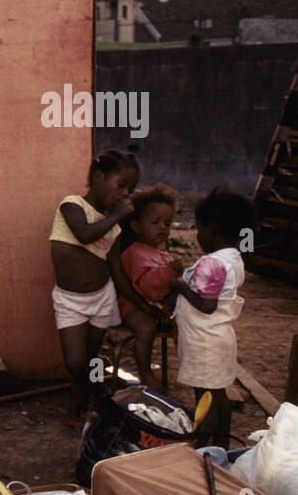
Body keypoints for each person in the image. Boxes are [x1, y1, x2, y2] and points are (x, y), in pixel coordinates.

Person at [49, 149, 149, 426]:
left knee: (90, 358)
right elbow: (84, 235)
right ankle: (98, 395)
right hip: (69, 301)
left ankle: (76, 410)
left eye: (130, 189)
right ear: (98, 177)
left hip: (101, 298)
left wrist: (141, 303)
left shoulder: (114, 230)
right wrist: (117, 215)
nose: (125, 194)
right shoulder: (72, 206)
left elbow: (116, 270)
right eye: (121, 185)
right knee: (76, 363)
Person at [168, 187, 255, 449]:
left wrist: (180, 286)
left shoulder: (212, 263)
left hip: (204, 343)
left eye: (199, 228)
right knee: (219, 398)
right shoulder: (234, 259)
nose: (198, 235)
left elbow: (206, 305)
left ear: (212, 229)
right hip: (219, 340)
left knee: (205, 403)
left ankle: (201, 449)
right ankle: (221, 448)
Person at [118, 183, 184, 390]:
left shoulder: (161, 253)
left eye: (167, 223)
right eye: (155, 222)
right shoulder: (135, 252)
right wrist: (171, 272)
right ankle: (145, 374)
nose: (163, 227)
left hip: (157, 305)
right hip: (133, 305)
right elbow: (148, 287)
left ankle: (189, 366)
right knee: (146, 328)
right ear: (136, 226)